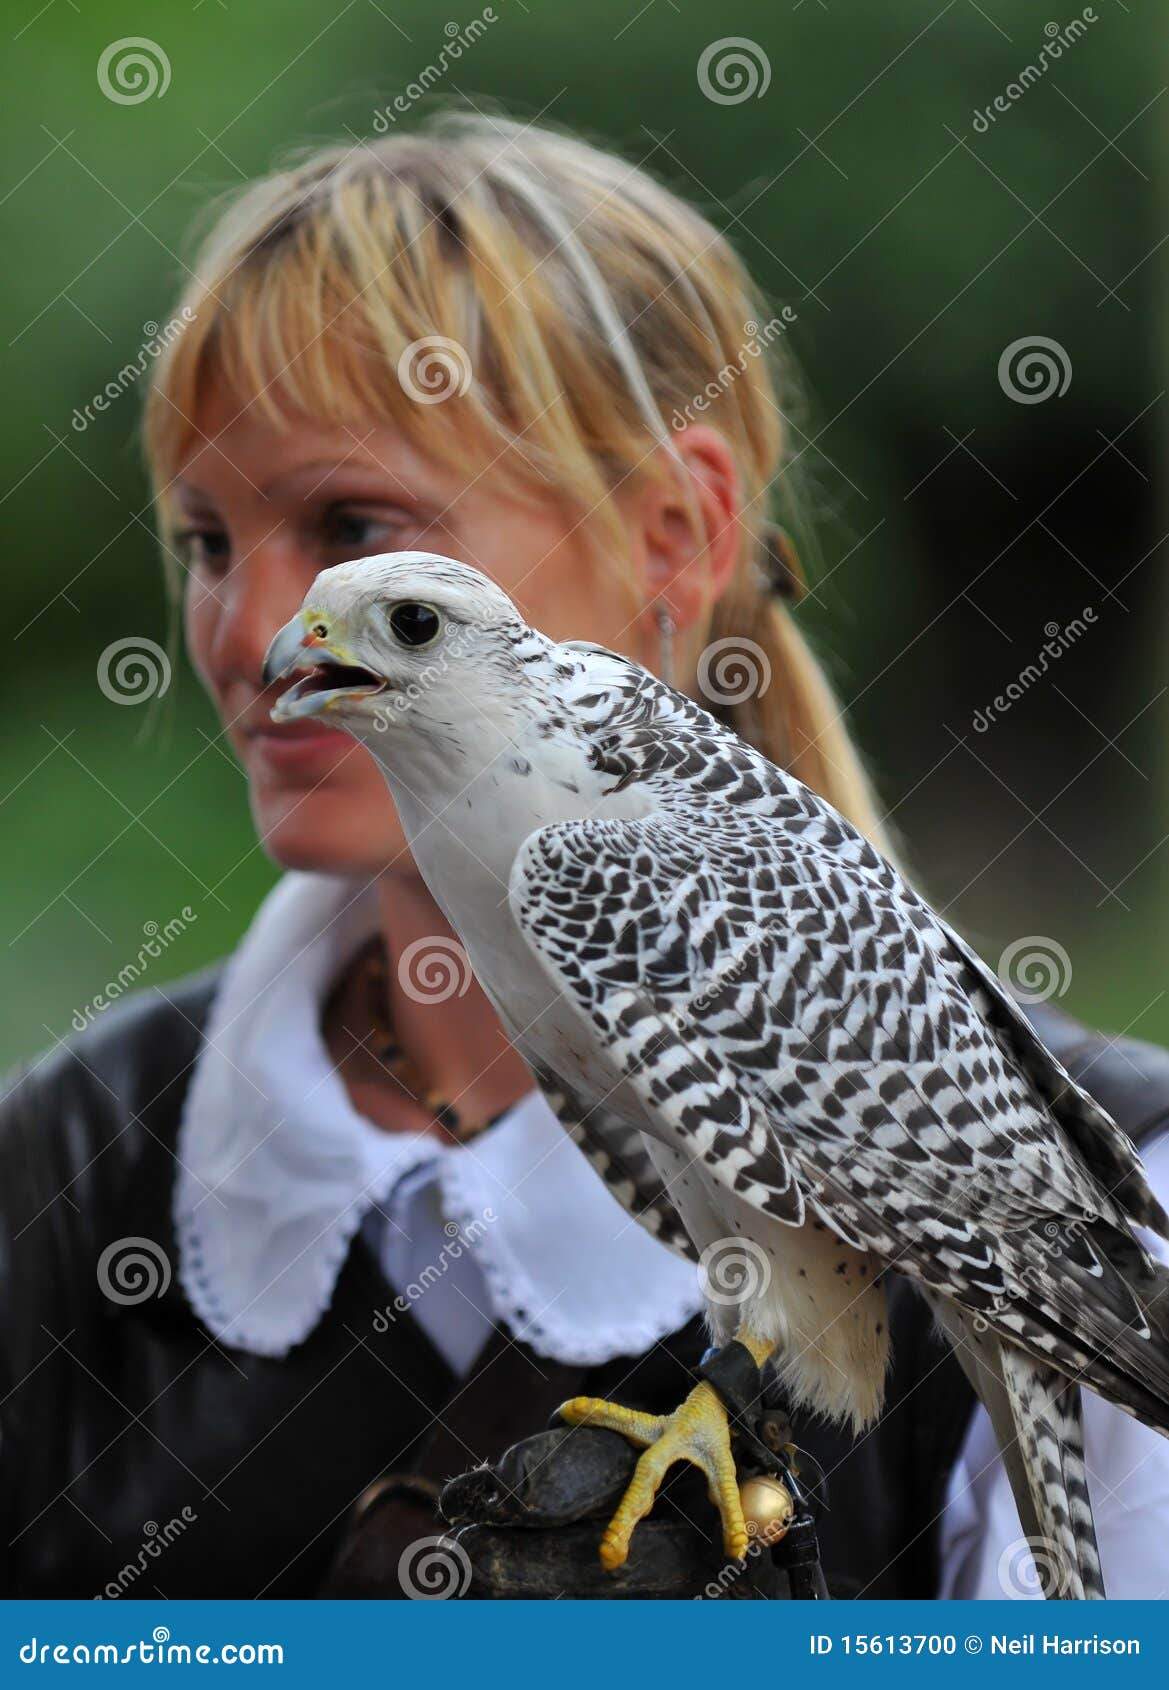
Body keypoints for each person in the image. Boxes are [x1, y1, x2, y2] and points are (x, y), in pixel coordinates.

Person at [3, 112, 1167, 1600]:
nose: (249, 633)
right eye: (204, 540)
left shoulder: (617, 861)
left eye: (354, 525)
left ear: (673, 535)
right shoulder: (55, 1166)